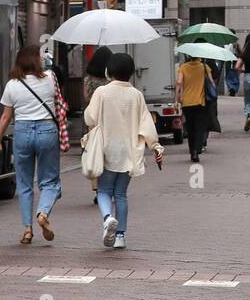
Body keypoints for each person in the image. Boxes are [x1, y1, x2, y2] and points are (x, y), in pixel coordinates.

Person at [84, 52, 164, 249]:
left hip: (106, 149)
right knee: (121, 194)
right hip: (129, 152)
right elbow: (146, 124)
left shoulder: (101, 92)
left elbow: (90, 118)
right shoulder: (136, 95)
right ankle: (120, 236)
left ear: (108, 71)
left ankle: (107, 218)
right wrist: (155, 146)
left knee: (103, 190)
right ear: (130, 73)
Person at [0, 44, 61, 246]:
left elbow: (6, 116)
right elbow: (59, 102)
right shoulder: (50, 78)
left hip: (22, 131)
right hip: (47, 131)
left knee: (24, 183)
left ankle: (27, 230)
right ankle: (43, 212)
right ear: (34, 59)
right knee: (50, 182)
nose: (42, 58)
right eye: (40, 55)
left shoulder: (12, 84)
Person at [82, 45, 113, 205]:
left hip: (93, 121)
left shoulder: (88, 80)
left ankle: (98, 189)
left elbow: (86, 99)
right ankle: (111, 186)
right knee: (110, 153)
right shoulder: (111, 81)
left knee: (95, 153)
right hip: (110, 120)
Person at [176, 51, 213, 164]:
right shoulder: (204, 67)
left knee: (190, 128)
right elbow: (211, 83)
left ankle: (192, 151)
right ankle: (196, 150)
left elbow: (179, 83)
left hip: (187, 103)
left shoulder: (183, 67)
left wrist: (176, 99)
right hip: (200, 103)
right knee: (199, 128)